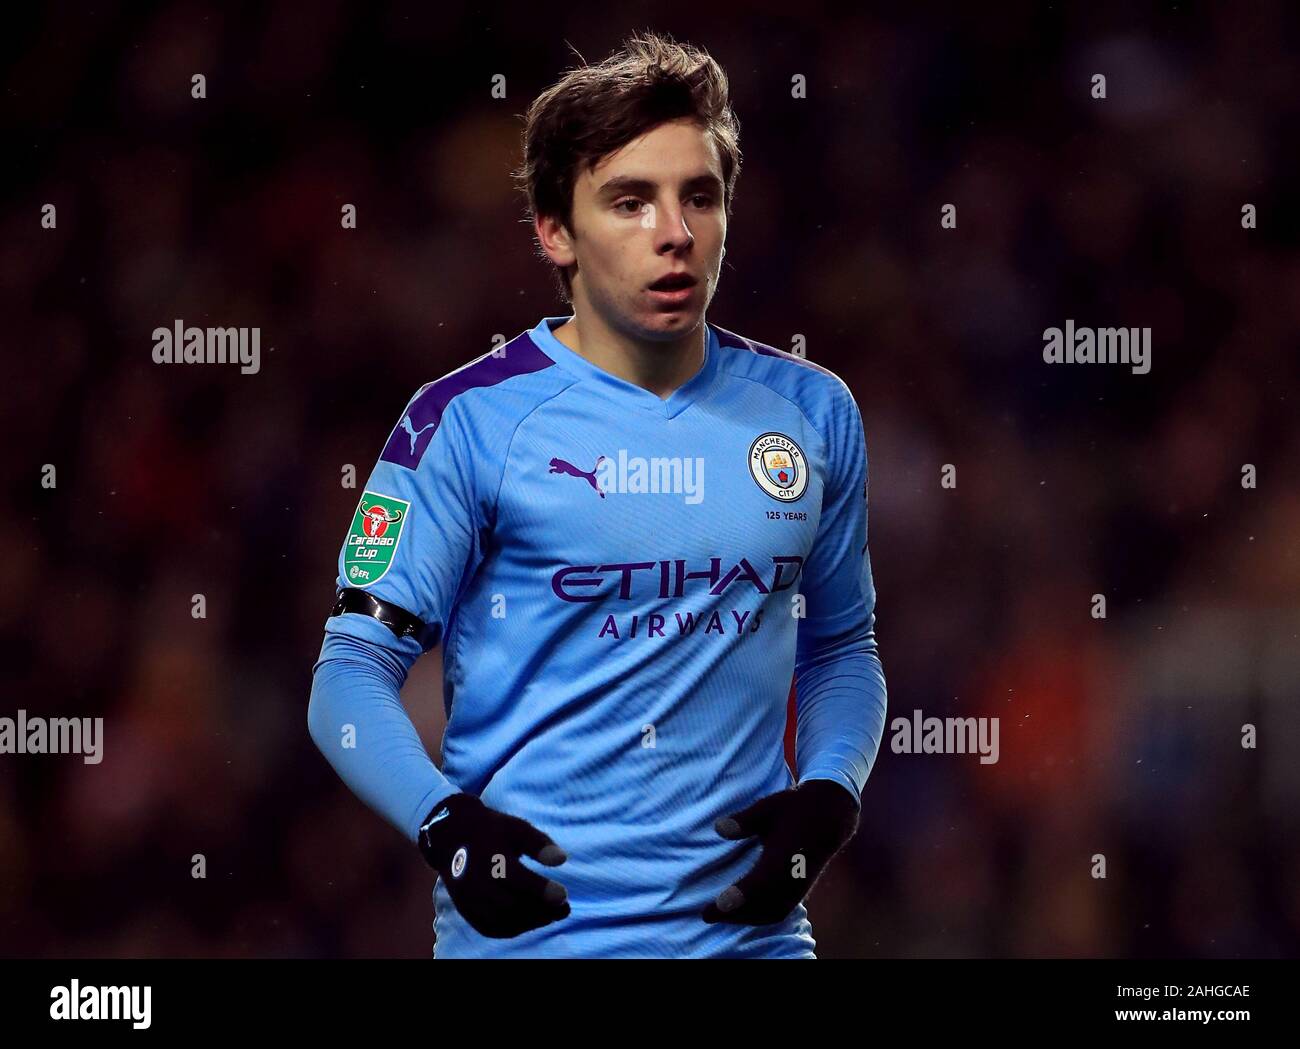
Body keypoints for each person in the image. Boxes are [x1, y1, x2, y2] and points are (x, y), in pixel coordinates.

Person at [308, 30, 887, 958]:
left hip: (755, 946)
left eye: (700, 196)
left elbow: (842, 647)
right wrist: (445, 825)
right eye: (630, 201)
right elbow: (346, 676)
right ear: (553, 231)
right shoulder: (465, 423)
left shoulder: (812, 412)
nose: (675, 232)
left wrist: (830, 792)